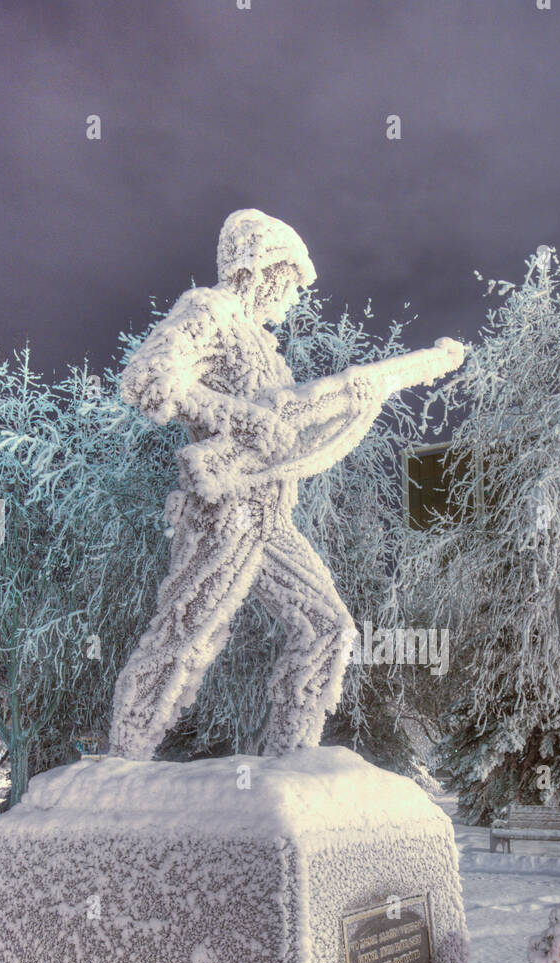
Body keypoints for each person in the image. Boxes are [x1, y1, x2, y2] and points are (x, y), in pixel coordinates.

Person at [109, 209, 464, 759]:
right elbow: (147, 381)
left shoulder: (260, 344)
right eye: (291, 280)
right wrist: (240, 419)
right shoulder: (209, 312)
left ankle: (292, 760)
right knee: (186, 633)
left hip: (271, 519)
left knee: (329, 629)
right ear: (258, 269)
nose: (295, 297)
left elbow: (293, 425)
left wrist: (366, 397)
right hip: (224, 512)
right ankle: (123, 761)